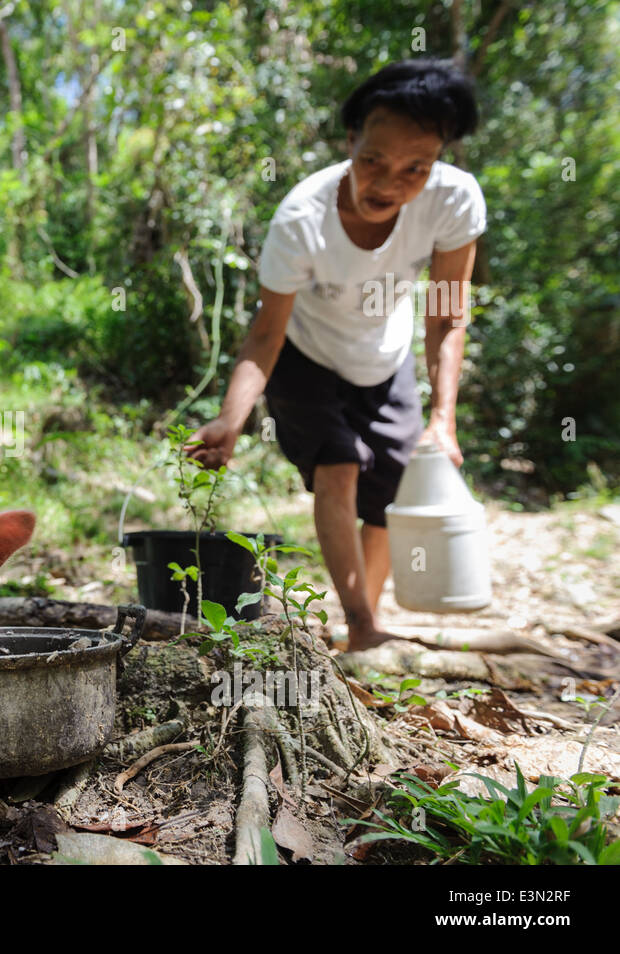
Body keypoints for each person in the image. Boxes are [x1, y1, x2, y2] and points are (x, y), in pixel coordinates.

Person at [189, 59, 484, 651]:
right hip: (306, 352)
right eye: (373, 159)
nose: (388, 183)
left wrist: (443, 418)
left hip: (386, 351)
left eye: (415, 168)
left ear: (438, 161)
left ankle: (360, 627)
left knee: (392, 496)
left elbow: (447, 314)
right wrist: (231, 417)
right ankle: (365, 625)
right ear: (350, 140)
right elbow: (266, 333)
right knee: (339, 462)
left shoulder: (455, 201)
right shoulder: (303, 218)